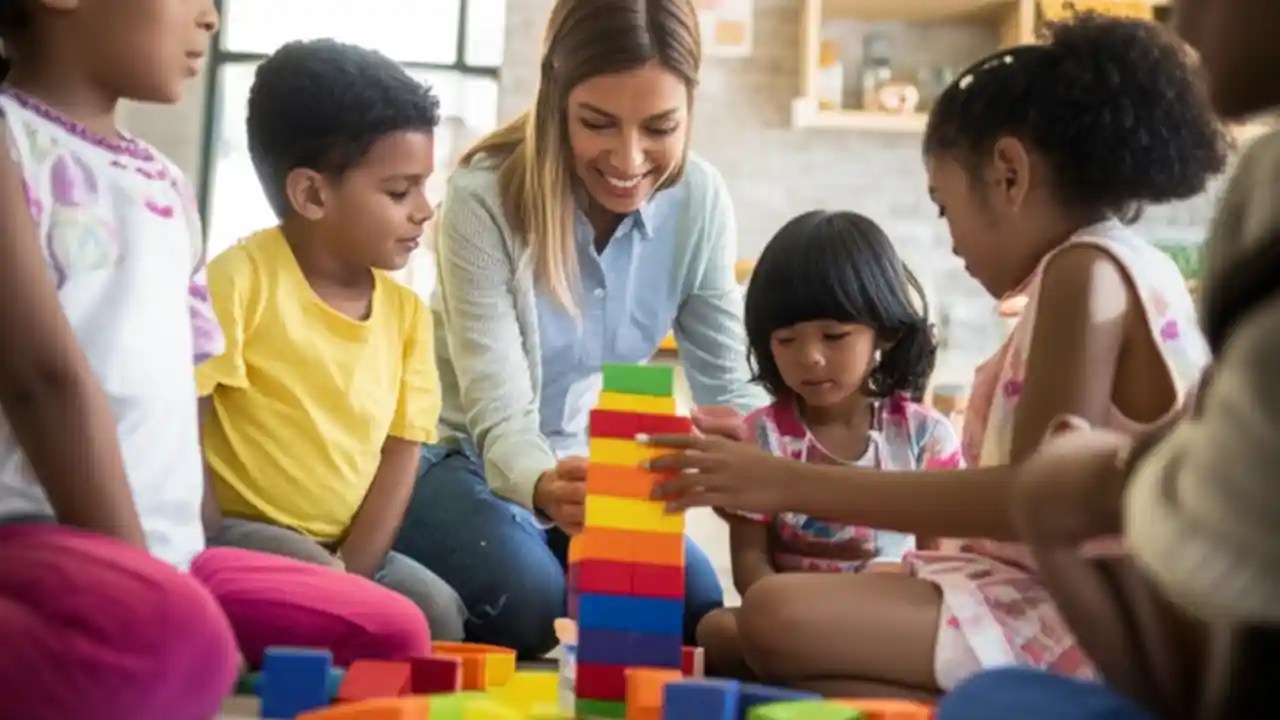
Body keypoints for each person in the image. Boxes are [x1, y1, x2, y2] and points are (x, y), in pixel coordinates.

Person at [644, 12, 1226, 698]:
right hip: (1044, 599)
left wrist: (782, 483)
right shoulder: (1114, 266)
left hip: (1079, 619)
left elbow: (1025, 501)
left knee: (768, 620)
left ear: (1009, 175)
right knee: (740, 628)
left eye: (945, 208)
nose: (950, 242)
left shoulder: (1086, 272)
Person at [0, 4, 430, 716]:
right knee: (180, 638)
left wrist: (171, 579)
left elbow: (182, 395)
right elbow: (45, 384)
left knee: (395, 627)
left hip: (175, 557)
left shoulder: (164, 183)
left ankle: (181, 652)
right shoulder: (11, 143)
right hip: (42, 542)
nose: (209, 17)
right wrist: (150, 591)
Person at [392, 0, 767, 657]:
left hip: (580, 465)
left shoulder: (700, 201)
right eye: (598, 123)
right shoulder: (484, 198)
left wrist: (772, 460)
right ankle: (418, 547)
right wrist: (543, 487)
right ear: (555, 95)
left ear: (690, 107)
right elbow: (499, 415)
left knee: (692, 602)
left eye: (660, 127)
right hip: (456, 453)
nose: (628, 158)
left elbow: (730, 391)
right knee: (529, 604)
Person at [198, 39, 467, 642]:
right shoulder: (239, 280)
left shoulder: (406, 315)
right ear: (313, 195)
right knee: (343, 604)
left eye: (425, 186)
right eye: (400, 192)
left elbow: (402, 455)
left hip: (345, 547)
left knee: (440, 616)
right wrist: (205, 542)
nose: (424, 210)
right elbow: (183, 418)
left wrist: (355, 572)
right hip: (243, 532)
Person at [694, 210, 962, 679]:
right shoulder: (759, 437)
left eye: (835, 336)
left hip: (883, 619)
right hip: (790, 620)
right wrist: (792, 612)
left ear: (885, 332)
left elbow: (941, 567)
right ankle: (845, 683)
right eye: (786, 340)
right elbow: (750, 567)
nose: (811, 357)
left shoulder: (924, 435)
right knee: (717, 631)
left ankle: (825, 683)